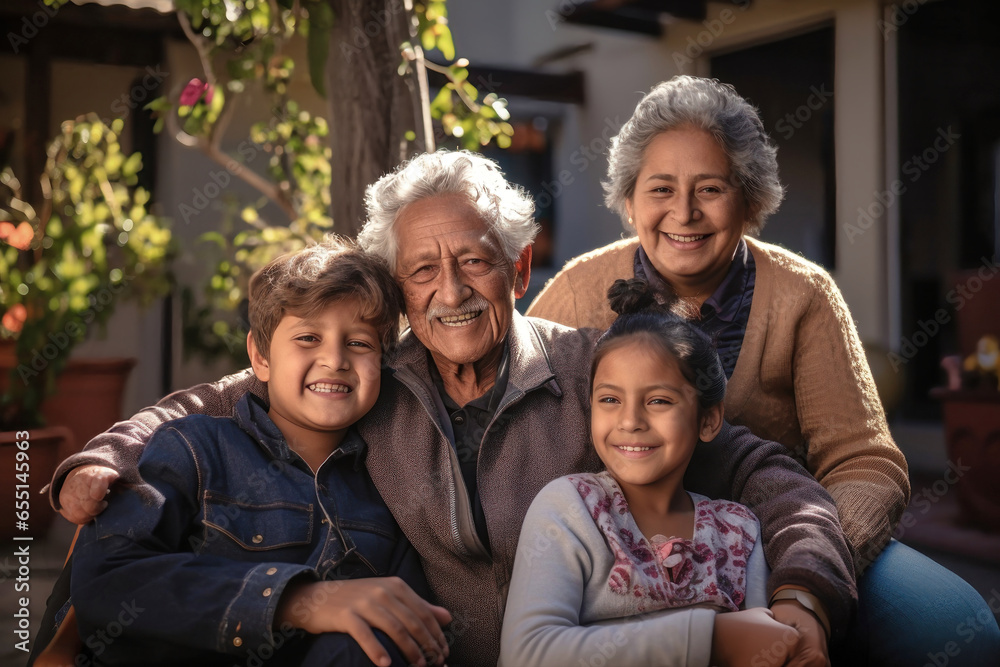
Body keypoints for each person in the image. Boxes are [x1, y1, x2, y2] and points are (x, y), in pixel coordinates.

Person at [51, 151, 854, 666]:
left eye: (474, 260)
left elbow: (765, 472)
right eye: (423, 270)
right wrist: (105, 455)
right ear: (399, 291)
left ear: (519, 267)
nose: (452, 290)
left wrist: (802, 595)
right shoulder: (371, 379)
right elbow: (224, 395)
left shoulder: (597, 375)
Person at [526, 75, 1000, 665]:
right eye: (660, 188)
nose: (684, 212)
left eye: (711, 188)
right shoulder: (576, 290)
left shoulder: (803, 294)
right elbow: (523, 427)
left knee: (961, 631)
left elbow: (865, 461)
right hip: (623, 541)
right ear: (628, 202)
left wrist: (805, 572)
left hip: (786, 533)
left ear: (750, 201)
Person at [70, 238, 451, 667]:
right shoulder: (193, 450)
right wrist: (294, 600)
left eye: (360, 343)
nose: (335, 359)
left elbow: (412, 625)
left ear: (383, 362)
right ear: (260, 357)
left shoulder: (386, 490)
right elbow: (107, 581)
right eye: (308, 337)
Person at [500, 278, 806, 666]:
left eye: (658, 400)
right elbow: (527, 654)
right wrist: (710, 639)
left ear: (709, 420)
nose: (630, 421)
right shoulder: (570, 510)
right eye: (610, 399)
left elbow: (769, 650)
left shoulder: (739, 532)